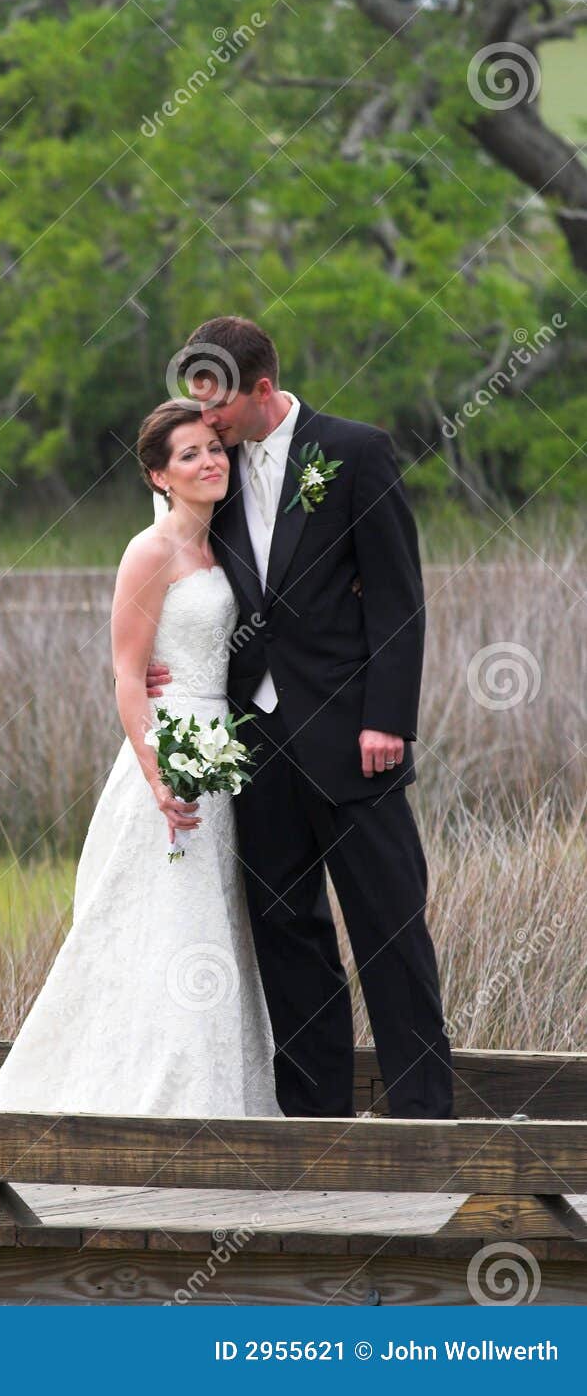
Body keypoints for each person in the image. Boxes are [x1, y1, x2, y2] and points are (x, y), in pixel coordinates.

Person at [147, 316, 453, 1120]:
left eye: (214, 406)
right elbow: (177, 571)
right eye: (193, 405)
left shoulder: (353, 452)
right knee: (287, 929)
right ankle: (316, 1117)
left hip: (356, 736)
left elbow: (397, 597)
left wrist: (387, 716)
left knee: (388, 926)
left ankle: (422, 1117)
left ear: (259, 388)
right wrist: (164, 667)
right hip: (254, 742)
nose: (203, 424)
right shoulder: (209, 472)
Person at [0, 400, 280, 1118]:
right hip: (172, 758)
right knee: (173, 923)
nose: (209, 461)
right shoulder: (149, 552)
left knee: (218, 925)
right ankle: (165, 1103)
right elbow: (125, 674)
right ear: (158, 475)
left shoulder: (227, 544)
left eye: (214, 447)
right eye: (188, 455)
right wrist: (157, 774)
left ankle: (226, 1098)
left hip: (226, 761)